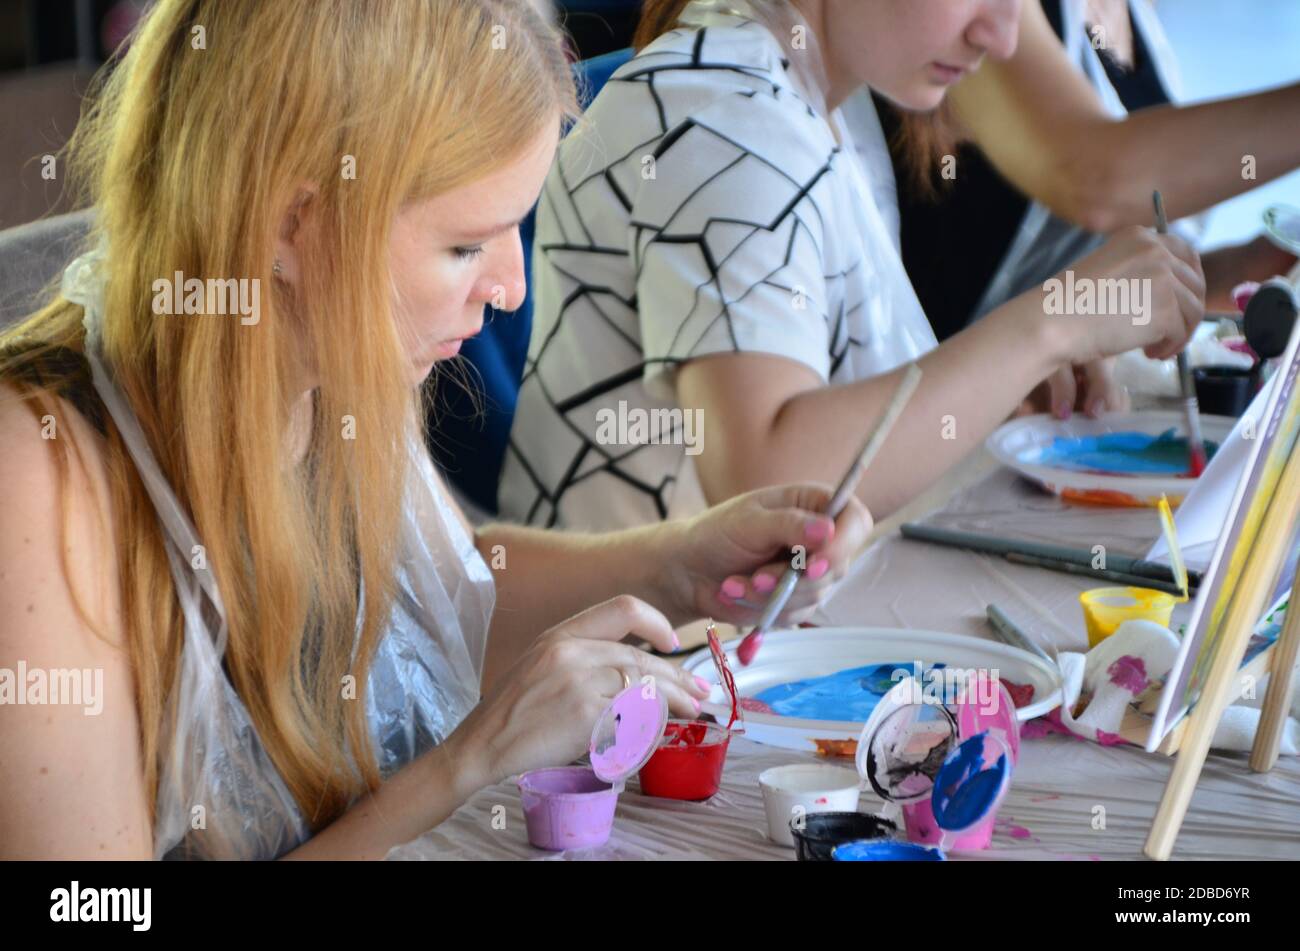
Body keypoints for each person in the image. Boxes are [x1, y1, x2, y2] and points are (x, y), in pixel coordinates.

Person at [0, 0, 870, 860]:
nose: (511, 290)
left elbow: (439, 609)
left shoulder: (330, 366)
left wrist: (681, 567)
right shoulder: (37, 476)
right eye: (466, 246)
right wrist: (472, 760)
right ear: (292, 226)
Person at [499, 0, 1205, 534]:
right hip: (658, 701)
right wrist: (1047, 327)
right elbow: (767, 482)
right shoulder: (721, 109)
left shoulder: (821, 102)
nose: (1002, 33)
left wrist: (1002, 377)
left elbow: (837, 402)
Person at [879, 0, 1300, 416]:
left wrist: (1240, 270)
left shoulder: (1137, 20)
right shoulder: (992, 14)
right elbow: (1093, 178)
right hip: (941, 413)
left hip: (1062, 414)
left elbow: (1104, 267)